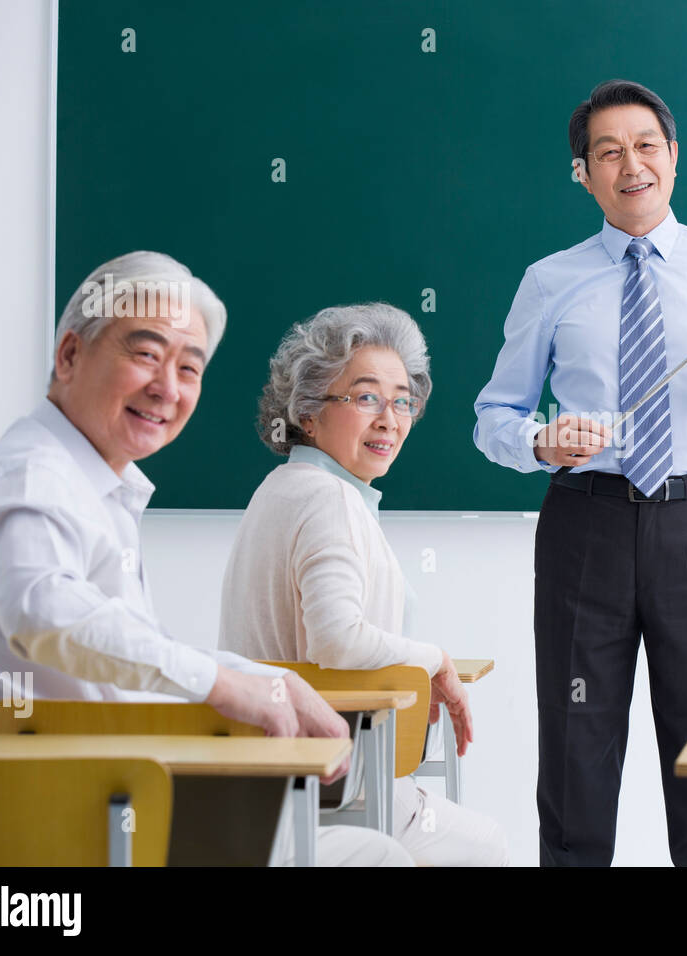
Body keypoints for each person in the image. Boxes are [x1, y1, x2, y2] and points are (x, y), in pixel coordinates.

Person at [0, 251, 411, 866]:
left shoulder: (95, 488)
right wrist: (222, 683)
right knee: (376, 857)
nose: (168, 386)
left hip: (103, 806)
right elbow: (44, 612)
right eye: (146, 354)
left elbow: (123, 647)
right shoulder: (25, 475)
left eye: (189, 366)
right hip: (48, 832)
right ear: (70, 355)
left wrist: (274, 680)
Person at [473, 79, 687, 865]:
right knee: (574, 748)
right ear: (584, 173)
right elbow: (494, 416)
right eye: (608, 152)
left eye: (646, 146)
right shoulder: (549, 280)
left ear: (673, 157)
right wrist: (538, 443)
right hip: (583, 524)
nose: (632, 164)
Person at [218, 303, 509, 866]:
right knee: (487, 845)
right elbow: (337, 639)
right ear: (307, 411)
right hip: (330, 782)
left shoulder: (281, 489)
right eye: (366, 397)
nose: (390, 419)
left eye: (402, 400)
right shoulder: (328, 499)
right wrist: (434, 659)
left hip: (276, 780)